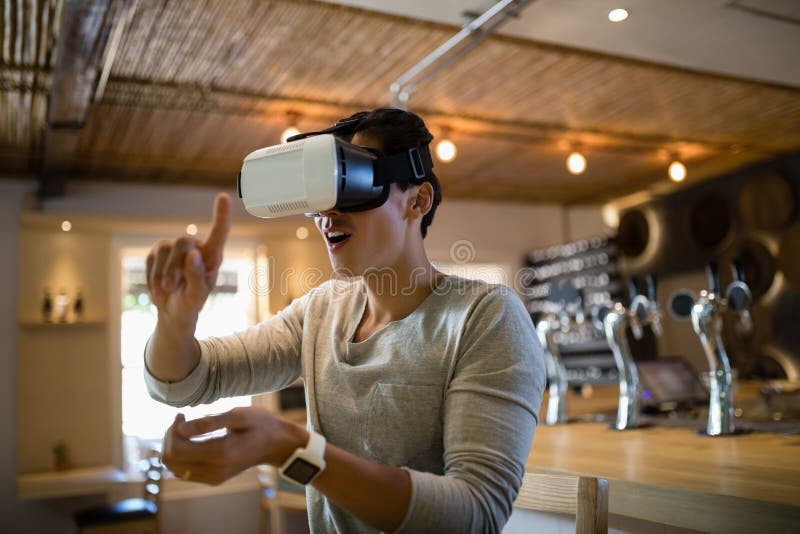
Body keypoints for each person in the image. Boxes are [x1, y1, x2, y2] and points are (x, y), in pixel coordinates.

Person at [144, 108, 545, 533]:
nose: (328, 213)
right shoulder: (320, 312)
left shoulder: (485, 318)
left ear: (418, 201)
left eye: (350, 184)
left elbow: (475, 514)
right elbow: (188, 382)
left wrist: (293, 449)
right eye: (319, 193)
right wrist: (175, 322)